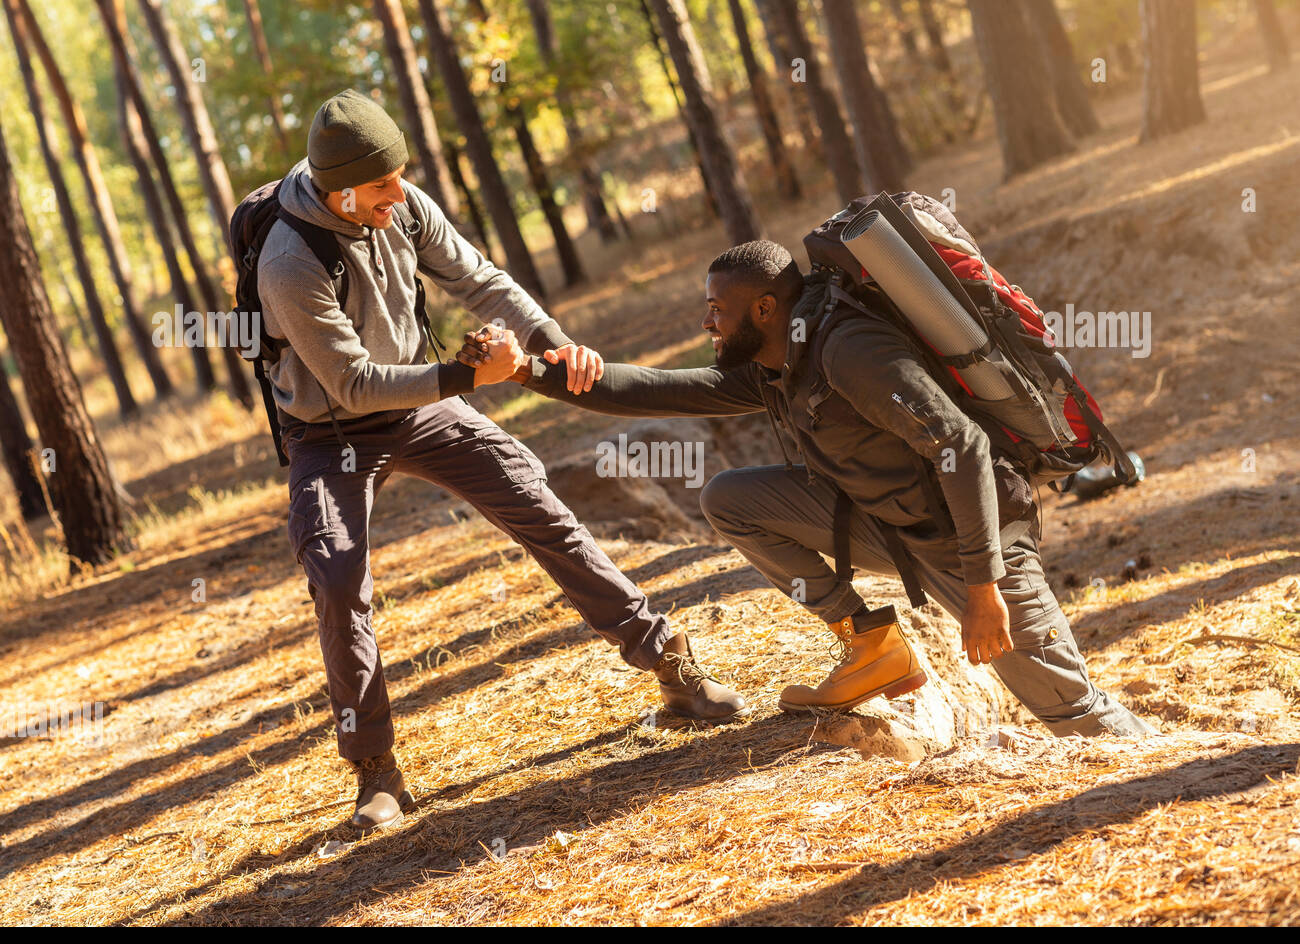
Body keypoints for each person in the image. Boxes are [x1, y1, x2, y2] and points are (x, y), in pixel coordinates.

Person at [258, 90, 749, 830]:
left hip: (420, 404)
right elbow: (353, 385)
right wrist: (467, 378)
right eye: (384, 185)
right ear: (341, 189)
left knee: (535, 501)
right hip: (331, 432)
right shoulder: (289, 261)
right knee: (335, 571)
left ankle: (667, 663)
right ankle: (376, 773)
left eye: (401, 176)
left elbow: (480, 279)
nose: (402, 194)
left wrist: (552, 340)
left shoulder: (399, 200)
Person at [461, 239, 1152, 738]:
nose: (706, 324)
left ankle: (1157, 771)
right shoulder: (771, 361)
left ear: (764, 307)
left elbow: (962, 446)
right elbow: (650, 389)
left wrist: (982, 589)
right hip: (887, 525)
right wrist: (525, 371)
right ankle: (872, 644)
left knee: (1073, 714)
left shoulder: (849, 351)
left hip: (976, 535)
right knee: (730, 498)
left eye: (715, 311)